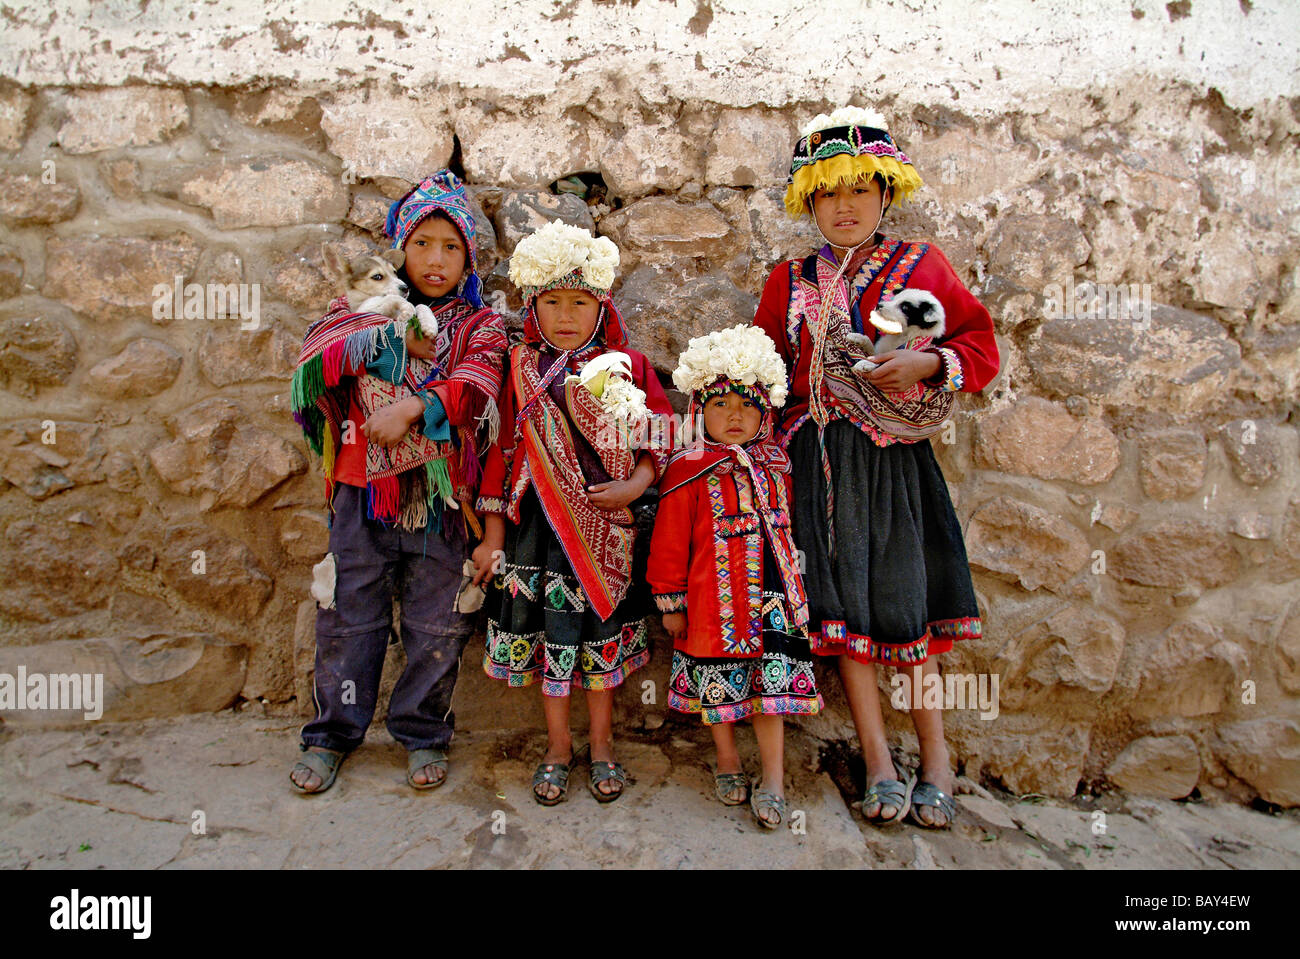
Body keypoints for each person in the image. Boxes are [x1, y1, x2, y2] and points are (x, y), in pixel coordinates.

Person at [753, 107, 1000, 829]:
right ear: (810, 201)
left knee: (905, 607)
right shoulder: (789, 280)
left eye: (862, 188)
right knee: (844, 616)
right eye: (830, 191)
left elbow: (979, 346)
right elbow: (769, 373)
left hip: (894, 466)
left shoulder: (920, 269)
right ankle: (878, 761)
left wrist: (928, 360)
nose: (847, 204)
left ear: (886, 194)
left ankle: (938, 760)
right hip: (817, 465)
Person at [288, 170, 508, 794]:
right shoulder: (361, 309)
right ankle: (332, 733)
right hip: (361, 489)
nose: (434, 260)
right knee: (347, 614)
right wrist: (386, 335)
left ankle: (420, 732)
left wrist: (413, 407)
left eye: (451, 247)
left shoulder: (479, 325)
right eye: (421, 244)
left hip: (441, 497)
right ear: (401, 248)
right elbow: (317, 360)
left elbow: (478, 386)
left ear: (468, 257)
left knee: (436, 621)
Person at [471, 220, 673, 805]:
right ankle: (559, 747)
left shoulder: (626, 366)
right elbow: (502, 450)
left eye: (580, 302)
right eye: (552, 302)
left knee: (595, 639)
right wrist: (491, 535)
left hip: (603, 528)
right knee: (548, 639)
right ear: (533, 307)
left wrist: (636, 486)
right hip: (536, 531)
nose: (566, 316)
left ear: (600, 306)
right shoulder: (520, 370)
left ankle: (603, 744)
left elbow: (658, 434)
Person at [647, 324, 821, 829]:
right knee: (717, 688)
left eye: (748, 405)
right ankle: (726, 760)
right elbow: (670, 540)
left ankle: (773, 777)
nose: (735, 416)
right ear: (699, 410)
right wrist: (670, 601)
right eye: (721, 405)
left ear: (766, 410)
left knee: (771, 692)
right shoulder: (688, 468)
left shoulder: (778, 463)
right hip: (711, 605)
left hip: (770, 597)